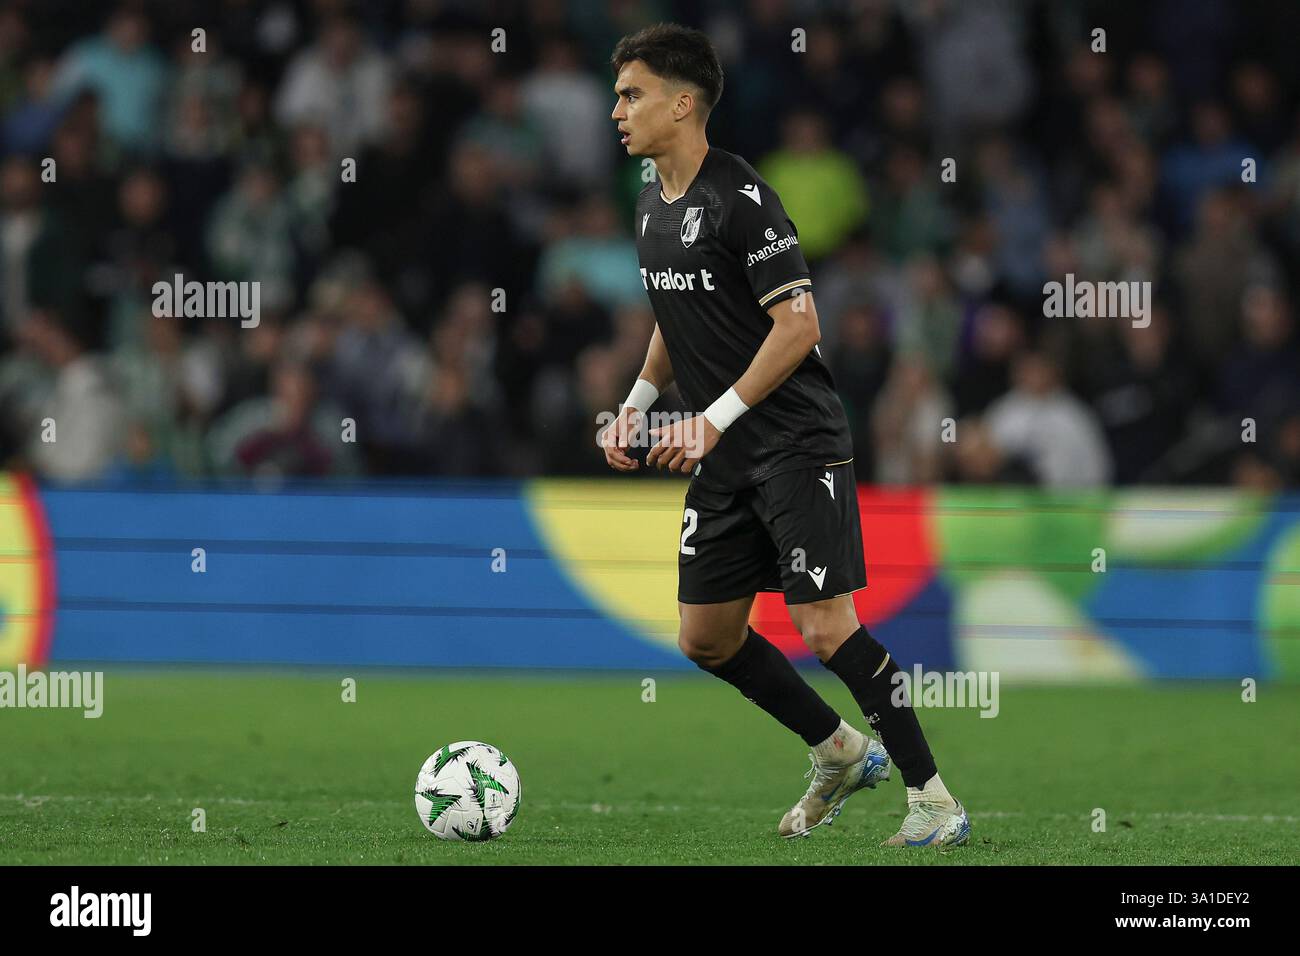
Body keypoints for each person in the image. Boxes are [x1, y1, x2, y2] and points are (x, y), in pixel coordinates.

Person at [602, 23, 969, 848]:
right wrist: (636, 400)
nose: (616, 110)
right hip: (724, 453)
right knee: (707, 636)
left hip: (796, 441)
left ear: (683, 102)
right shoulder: (650, 206)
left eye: (632, 94)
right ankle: (838, 751)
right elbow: (676, 313)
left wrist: (710, 418)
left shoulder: (741, 198)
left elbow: (799, 325)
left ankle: (934, 798)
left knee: (826, 625)